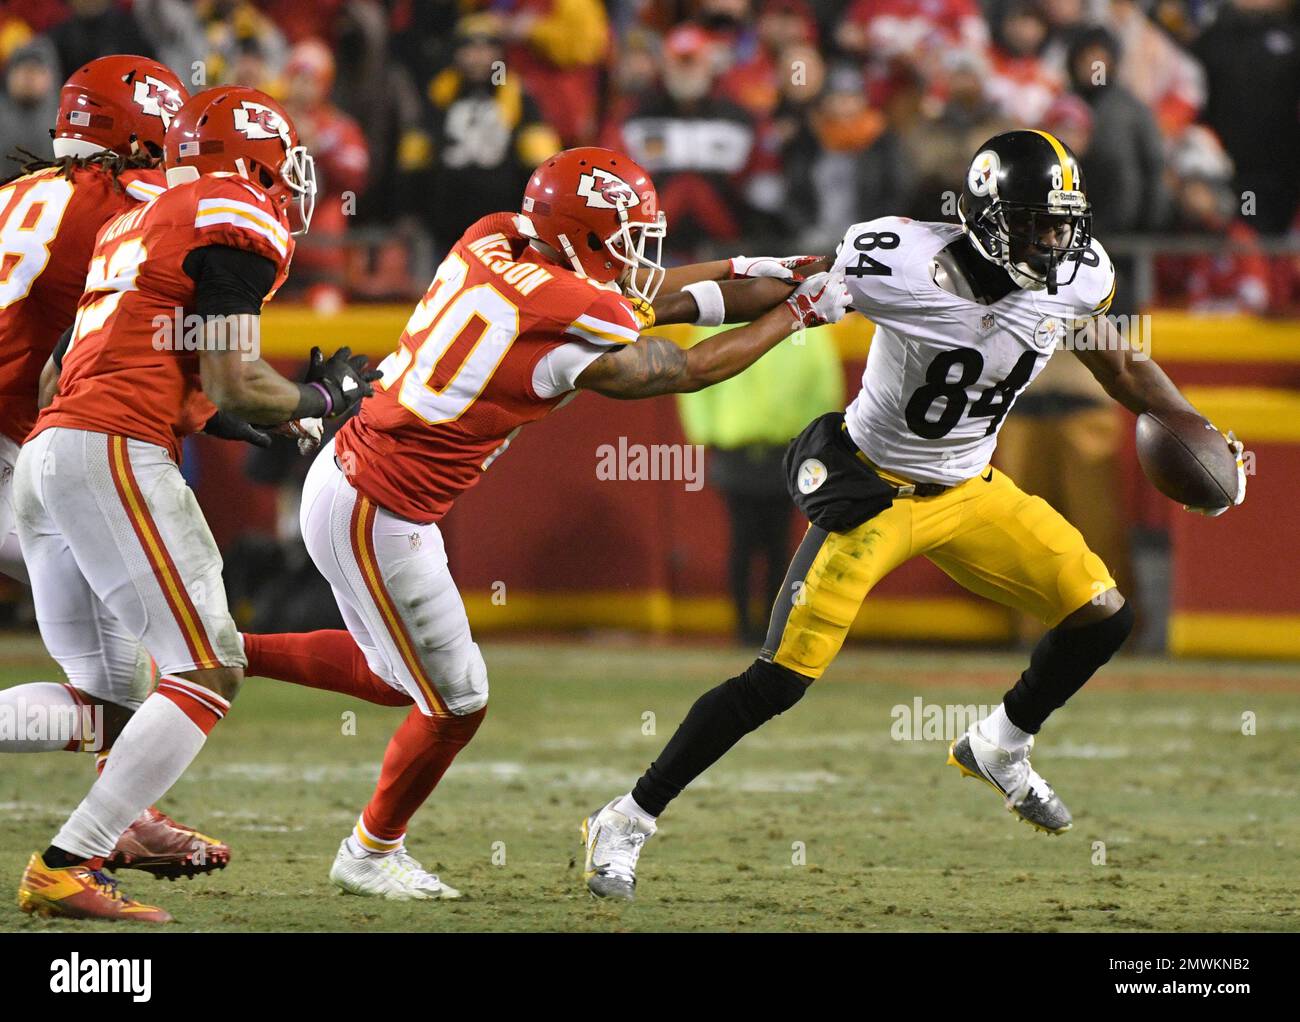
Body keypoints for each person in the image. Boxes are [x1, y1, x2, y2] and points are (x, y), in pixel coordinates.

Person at [581, 129, 1247, 901]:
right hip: (875, 492)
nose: (1054, 240)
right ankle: (626, 817)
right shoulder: (900, 259)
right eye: (1035, 221)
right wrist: (642, 304)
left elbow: (1122, 362)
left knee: (1101, 617)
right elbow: (768, 282)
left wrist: (1190, 421)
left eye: (1064, 222)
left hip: (970, 489)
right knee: (778, 682)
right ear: (986, 216)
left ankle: (1001, 742)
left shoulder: (1073, 278)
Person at [238, 146, 851, 901]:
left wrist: (751, 269)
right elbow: (679, 362)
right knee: (455, 701)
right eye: (625, 235)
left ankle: (224, 651)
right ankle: (368, 850)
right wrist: (796, 311)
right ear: (587, 239)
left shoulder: (492, 234)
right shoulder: (574, 316)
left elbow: (648, 295)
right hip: (381, 503)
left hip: (356, 478)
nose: (638, 252)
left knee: (398, 676)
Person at [14, 85, 377, 923]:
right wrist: (322, 399)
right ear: (255, 161)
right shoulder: (235, 212)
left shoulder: (137, 219)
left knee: (105, 702)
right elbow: (234, 374)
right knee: (208, 669)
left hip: (46, 454)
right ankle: (68, 863)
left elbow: (62, 372)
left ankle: (93, 847)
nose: (289, 181)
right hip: (109, 449)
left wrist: (225, 418)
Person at [0, 55, 256, 882]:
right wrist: (232, 403)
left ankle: (128, 819)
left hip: (27, 452)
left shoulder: (18, 195)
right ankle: (112, 826)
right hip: (34, 450)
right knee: (182, 655)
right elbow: (102, 346)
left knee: (113, 688)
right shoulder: (124, 204)